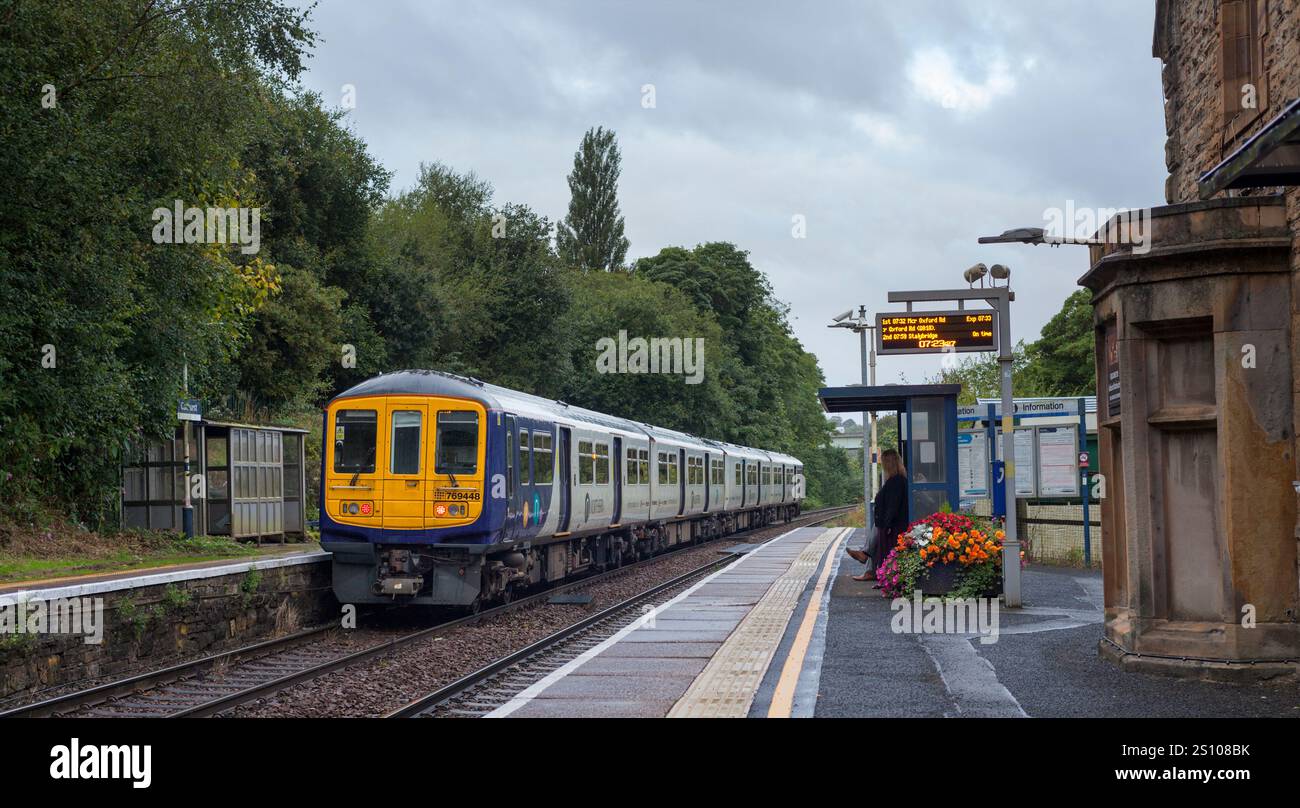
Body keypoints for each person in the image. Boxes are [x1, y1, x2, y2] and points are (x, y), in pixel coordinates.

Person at [846, 448, 909, 582]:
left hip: (892, 523)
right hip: (888, 521)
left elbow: (893, 504)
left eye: (884, 463)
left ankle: (866, 559)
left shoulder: (895, 481)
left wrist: (887, 523)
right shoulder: (897, 480)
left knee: (876, 536)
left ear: (888, 464)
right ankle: (868, 564)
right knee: (875, 537)